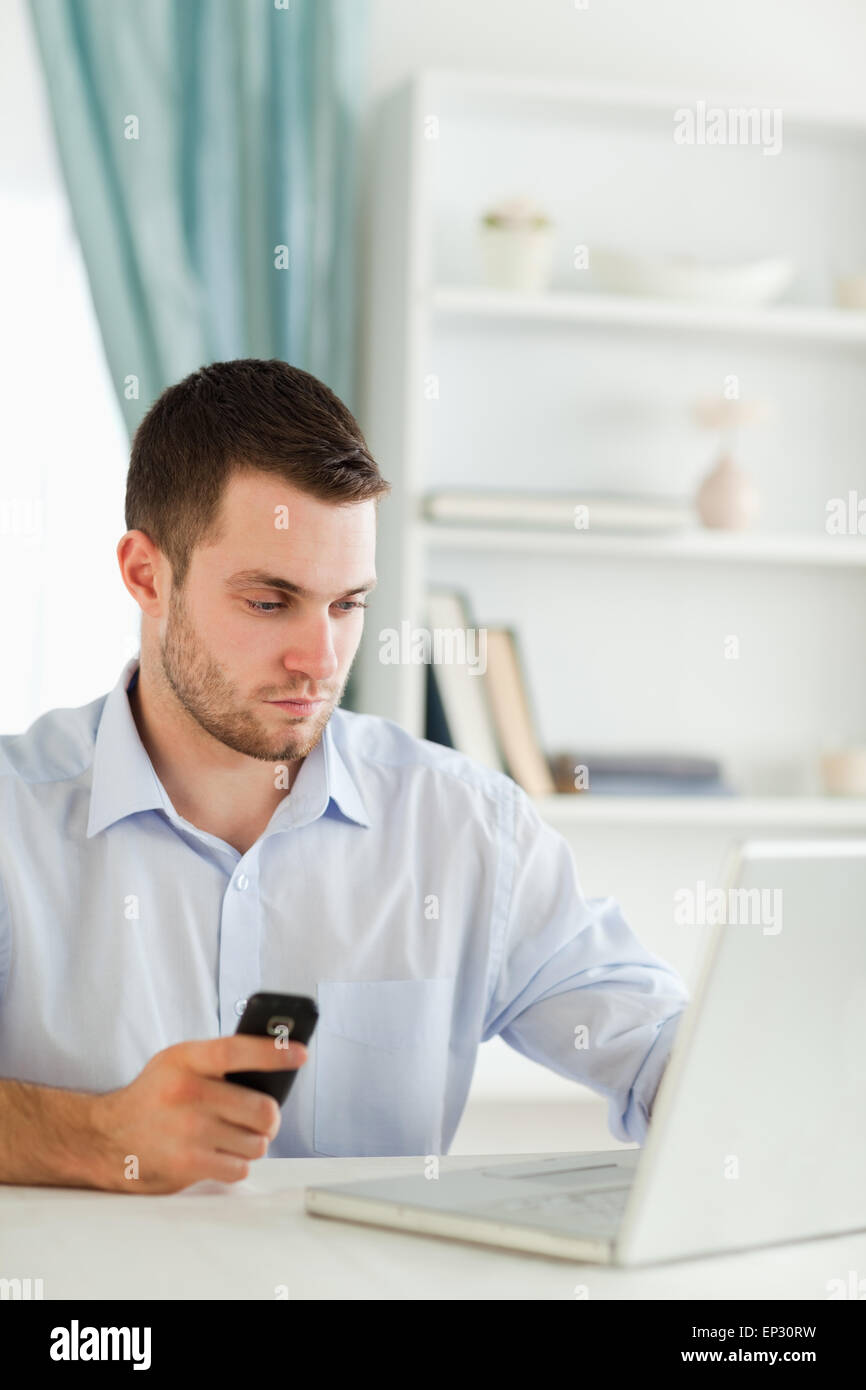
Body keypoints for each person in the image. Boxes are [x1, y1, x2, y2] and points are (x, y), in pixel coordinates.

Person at [0, 358, 689, 1195]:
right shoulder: (15, 824)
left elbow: (662, 1049)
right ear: (147, 575)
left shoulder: (468, 832)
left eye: (347, 605)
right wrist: (97, 1135)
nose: (318, 661)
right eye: (268, 601)